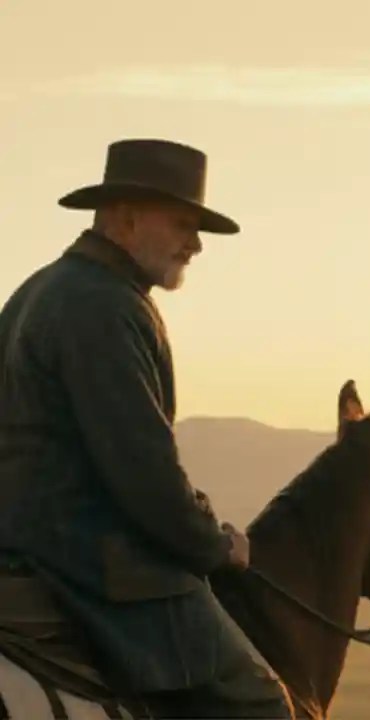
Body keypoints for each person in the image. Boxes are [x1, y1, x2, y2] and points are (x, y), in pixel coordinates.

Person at [0, 138, 293, 717]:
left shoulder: (38, 291)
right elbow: (144, 475)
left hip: (23, 546)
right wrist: (216, 546)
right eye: (184, 224)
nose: (197, 245)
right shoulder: (107, 307)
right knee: (260, 705)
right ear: (126, 218)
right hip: (88, 565)